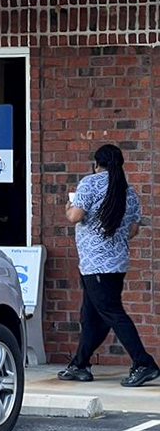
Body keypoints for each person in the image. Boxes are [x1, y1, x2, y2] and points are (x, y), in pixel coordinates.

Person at [58, 143, 160, 387]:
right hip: (116, 264)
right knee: (92, 316)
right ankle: (79, 365)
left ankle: (143, 363)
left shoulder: (89, 183)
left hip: (95, 264)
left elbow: (75, 217)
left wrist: (68, 208)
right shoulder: (128, 191)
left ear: (97, 164)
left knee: (112, 314)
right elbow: (133, 229)